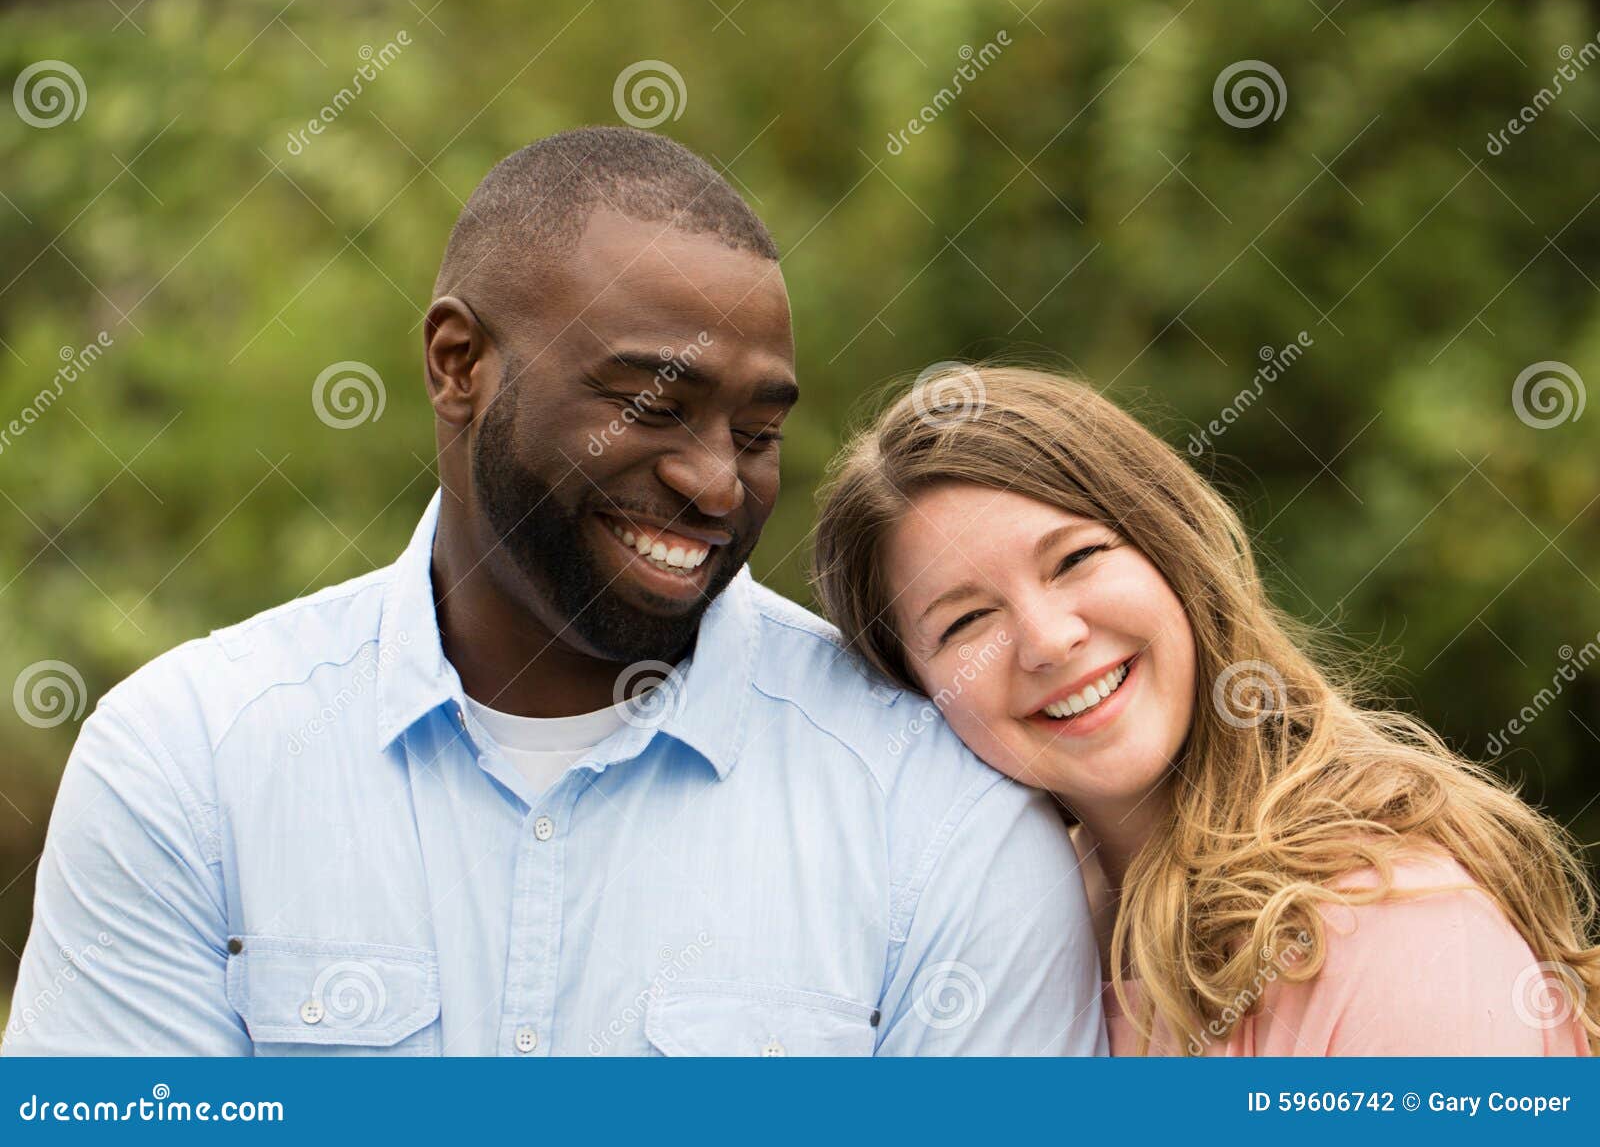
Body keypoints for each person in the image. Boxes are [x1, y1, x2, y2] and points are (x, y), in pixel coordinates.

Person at [2, 133, 1104, 1057]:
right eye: (650, 405)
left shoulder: (941, 821)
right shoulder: (187, 765)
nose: (716, 479)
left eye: (758, 433)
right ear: (457, 363)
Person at [811, 364, 1599, 1055]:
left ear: (1172, 546)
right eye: (965, 621)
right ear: (914, 690)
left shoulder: (1389, 927)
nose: (1048, 641)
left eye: (1077, 558)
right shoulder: (1007, 943)